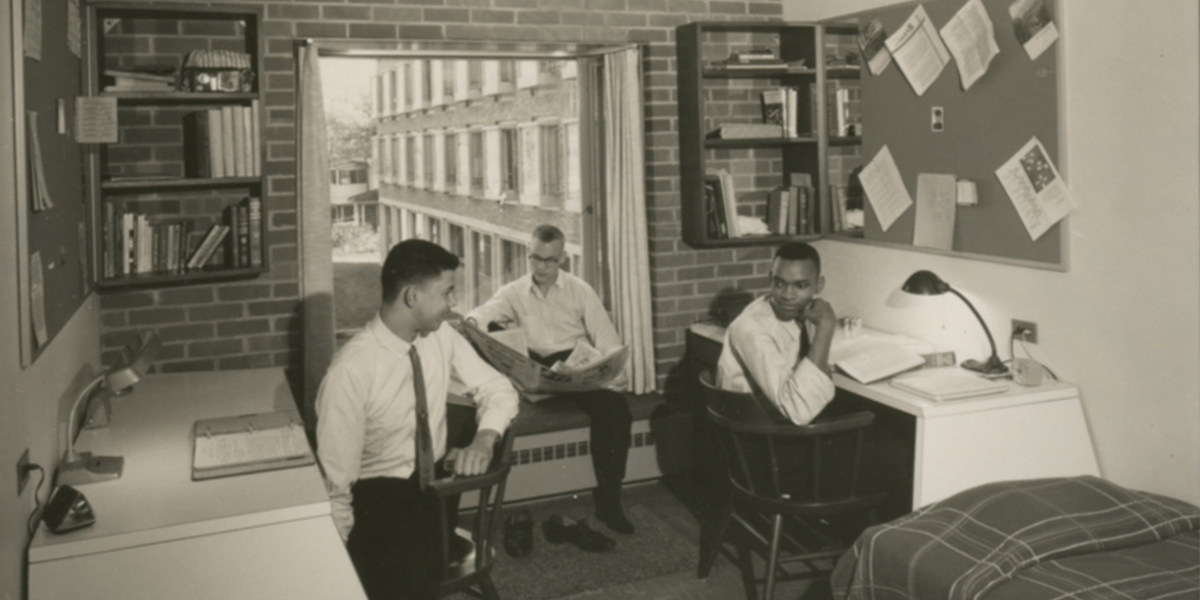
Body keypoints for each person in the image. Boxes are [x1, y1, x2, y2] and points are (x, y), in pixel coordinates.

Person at [316, 239, 519, 600]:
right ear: (412, 297)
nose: (454, 302)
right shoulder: (350, 371)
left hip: (433, 490)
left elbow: (499, 389)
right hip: (379, 500)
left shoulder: (441, 336)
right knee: (410, 580)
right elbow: (337, 485)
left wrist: (485, 439)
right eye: (447, 292)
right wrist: (335, 558)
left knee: (422, 565)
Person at [465, 225, 635, 535]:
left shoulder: (580, 290)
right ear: (528, 255)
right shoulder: (513, 291)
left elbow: (606, 338)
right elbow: (482, 313)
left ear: (563, 259)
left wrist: (614, 370)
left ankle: (610, 503)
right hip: (535, 368)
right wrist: (473, 322)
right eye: (535, 258)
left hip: (573, 366)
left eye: (550, 260)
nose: (541, 267)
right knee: (498, 405)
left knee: (615, 411)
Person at [716, 242, 837, 425]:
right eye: (779, 284)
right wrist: (826, 326)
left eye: (801, 285)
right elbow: (798, 410)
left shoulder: (801, 314)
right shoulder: (752, 327)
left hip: (775, 420)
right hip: (759, 434)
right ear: (770, 279)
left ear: (818, 285)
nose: (788, 295)